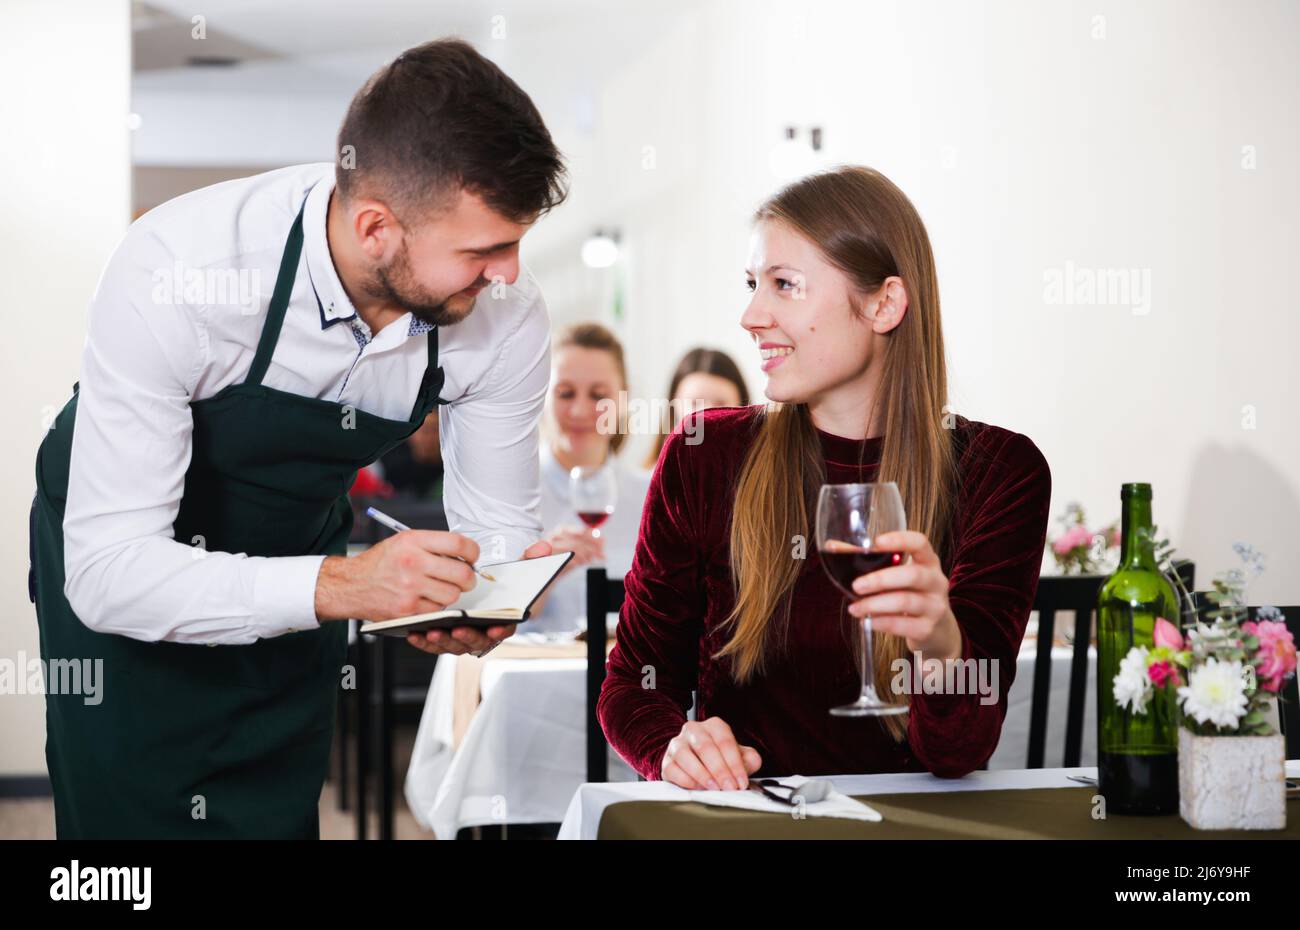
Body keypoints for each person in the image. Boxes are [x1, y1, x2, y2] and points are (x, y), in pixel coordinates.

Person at [29, 38, 565, 838]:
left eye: (516, 241)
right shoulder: (181, 273)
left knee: (274, 817)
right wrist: (346, 588)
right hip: (126, 592)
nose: (512, 274)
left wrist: (475, 600)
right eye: (484, 249)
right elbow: (109, 572)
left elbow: (497, 528)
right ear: (377, 226)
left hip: (296, 573)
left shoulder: (503, 319)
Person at [598, 166, 1053, 789]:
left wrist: (943, 646)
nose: (750, 315)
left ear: (884, 304)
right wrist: (672, 745)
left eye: (785, 285)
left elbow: (958, 752)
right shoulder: (704, 456)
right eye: (753, 283)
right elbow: (634, 683)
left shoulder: (999, 473)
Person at [531, 323, 650, 634]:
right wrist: (541, 573)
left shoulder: (652, 498)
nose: (580, 409)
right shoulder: (507, 495)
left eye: (598, 395)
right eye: (565, 393)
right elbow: (480, 618)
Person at [643, 347, 750, 470]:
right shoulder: (644, 482)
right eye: (695, 403)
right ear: (674, 407)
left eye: (721, 403)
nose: (707, 415)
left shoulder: (765, 483)